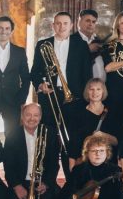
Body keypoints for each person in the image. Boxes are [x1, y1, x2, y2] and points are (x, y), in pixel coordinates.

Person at [31, 11, 93, 147]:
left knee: (72, 134)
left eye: (65, 23)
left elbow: (87, 73)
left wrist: (84, 96)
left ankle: (70, 166)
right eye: (58, 23)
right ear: (53, 26)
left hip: (74, 96)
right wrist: (41, 85)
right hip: (50, 95)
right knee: (48, 133)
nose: (62, 26)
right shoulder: (43, 44)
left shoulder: (81, 45)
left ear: (71, 26)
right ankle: (49, 166)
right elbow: (34, 72)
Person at [77, 9, 107, 83]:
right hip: (80, 88)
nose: (90, 24)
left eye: (93, 22)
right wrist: (87, 49)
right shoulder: (71, 40)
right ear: (79, 22)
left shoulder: (100, 41)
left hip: (101, 89)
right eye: (87, 21)